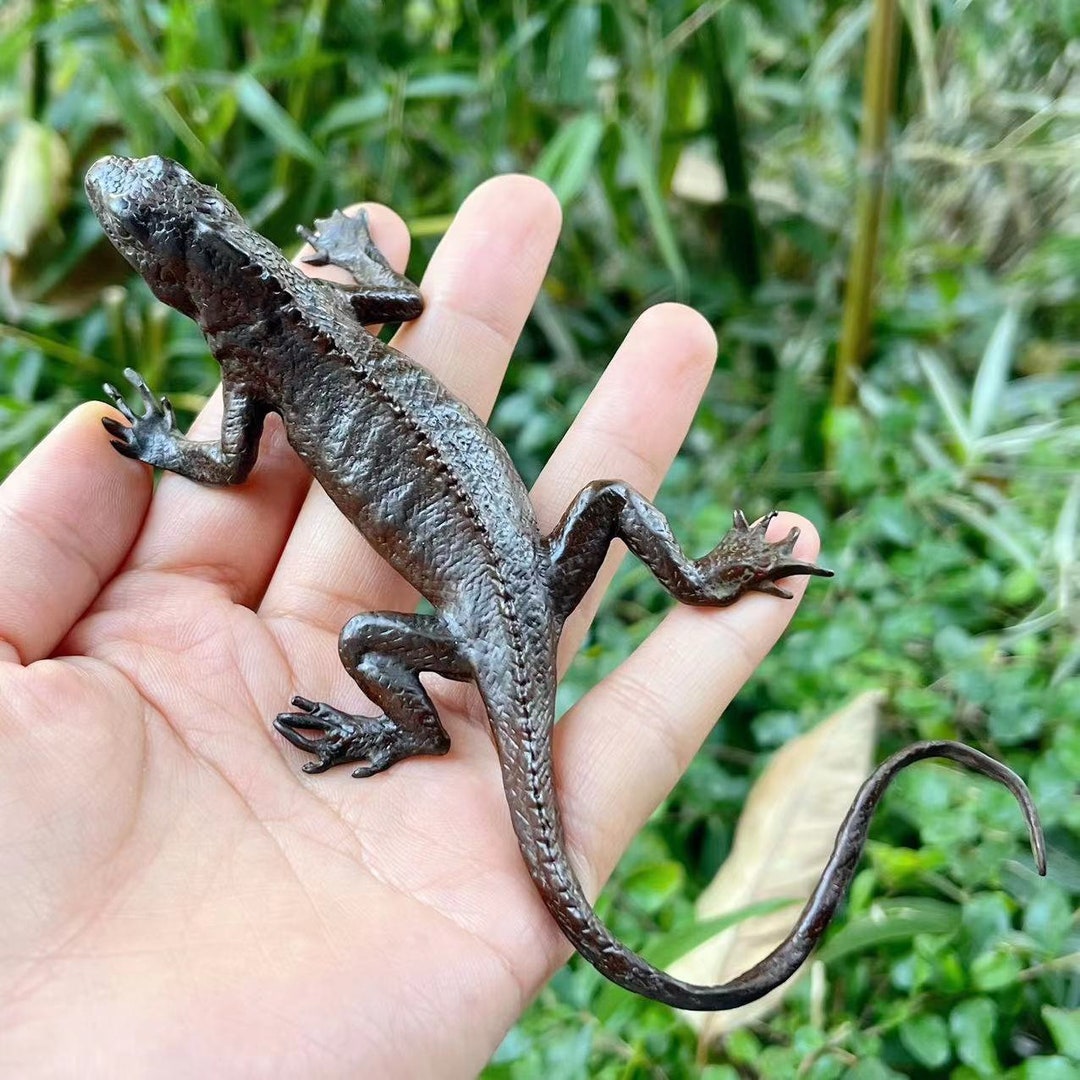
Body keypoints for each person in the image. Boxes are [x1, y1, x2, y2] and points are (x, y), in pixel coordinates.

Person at [0, 175, 820, 1076]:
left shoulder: (254, 363)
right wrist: (359, 263)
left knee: (357, 643)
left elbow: (230, 466)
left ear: (171, 279)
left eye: (144, 222)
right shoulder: (314, 305)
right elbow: (405, 299)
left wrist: (163, 447)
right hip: (533, 582)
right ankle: (704, 583)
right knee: (611, 499)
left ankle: (416, 731)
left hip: (486, 622)